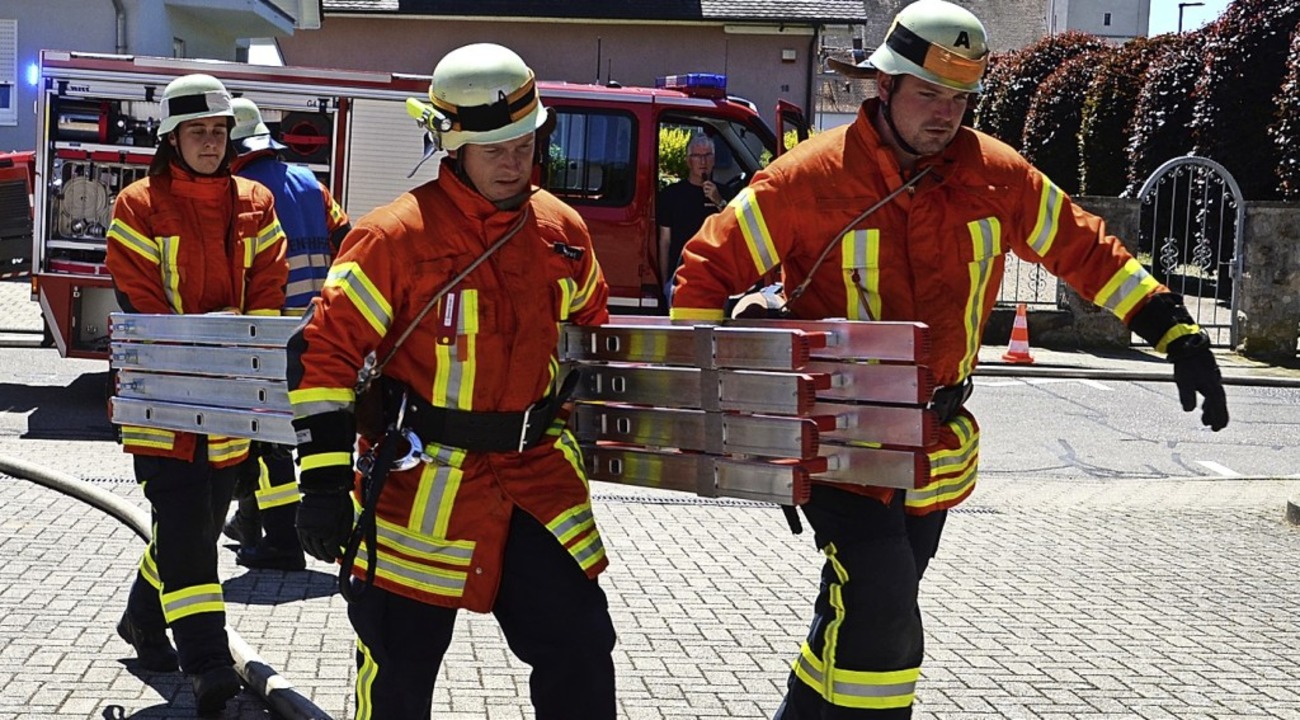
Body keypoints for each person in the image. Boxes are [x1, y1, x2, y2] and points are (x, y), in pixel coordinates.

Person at [668, 1, 1230, 717]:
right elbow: (704, 273)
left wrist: (1176, 331)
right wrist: (740, 417)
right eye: (929, 94)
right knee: (884, 621)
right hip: (837, 442)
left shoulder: (998, 176)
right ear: (885, 88)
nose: (946, 114)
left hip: (934, 446)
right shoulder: (808, 179)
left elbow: (1085, 249)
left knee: (863, 607)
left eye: (960, 98)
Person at [284, 43, 616, 719]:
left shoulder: (564, 234)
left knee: (581, 649)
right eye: (493, 146)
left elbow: (591, 345)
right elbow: (324, 357)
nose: (513, 159)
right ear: (450, 144)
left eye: (522, 141)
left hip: (534, 486)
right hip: (419, 496)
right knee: (397, 676)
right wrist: (320, 483)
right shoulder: (392, 239)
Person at [105, 73, 287, 715]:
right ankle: (208, 661)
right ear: (171, 138)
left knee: (197, 529)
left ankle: (143, 624)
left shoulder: (256, 203)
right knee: (185, 526)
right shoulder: (138, 206)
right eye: (197, 132)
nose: (210, 143)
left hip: (231, 405)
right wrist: (217, 338)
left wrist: (248, 348)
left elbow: (270, 288)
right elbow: (142, 300)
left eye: (218, 131)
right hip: (162, 404)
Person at [223, 96, 352, 572]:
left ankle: (280, 541)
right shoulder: (311, 184)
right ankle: (250, 521)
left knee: (268, 440)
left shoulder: (239, 192)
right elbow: (347, 240)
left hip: (268, 333)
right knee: (312, 433)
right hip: (321, 330)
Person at [657, 133, 730, 301]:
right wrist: (664, 283)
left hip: (716, 280)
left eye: (707, 156)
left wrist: (719, 201)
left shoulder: (725, 193)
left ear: (714, 160)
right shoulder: (671, 195)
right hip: (680, 279)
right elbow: (665, 242)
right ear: (688, 161)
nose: (703, 162)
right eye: (697, 156)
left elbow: (734, 230)